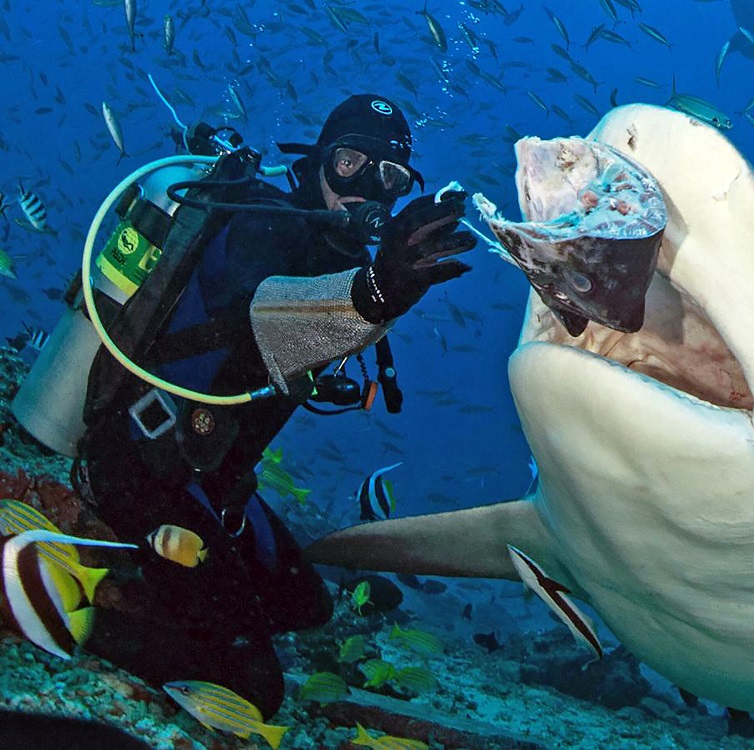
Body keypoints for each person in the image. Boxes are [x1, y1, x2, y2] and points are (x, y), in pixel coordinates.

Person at [79, 94, 475, 718]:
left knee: (304, 606)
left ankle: (150, 589)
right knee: (252, 691)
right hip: (142, 460)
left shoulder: (337, 255)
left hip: (213, 476)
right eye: (350, 163)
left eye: (390, 176)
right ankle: (50, 611)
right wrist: (378, 291)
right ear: (318, 159)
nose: (367, 187)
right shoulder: (263, 220)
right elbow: (259, 316)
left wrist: (376, 289)